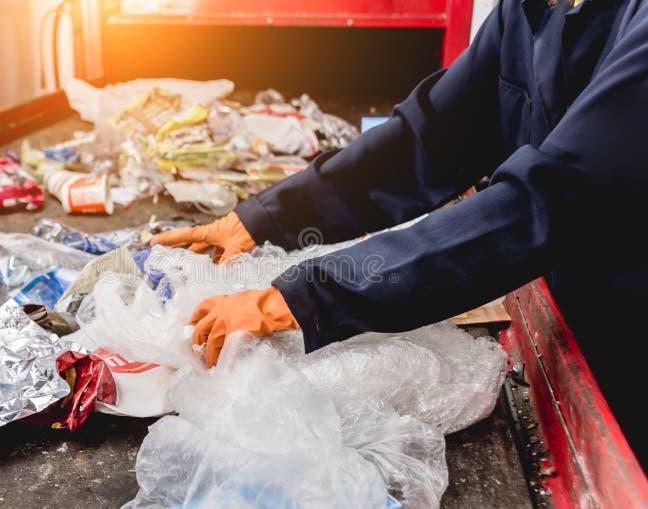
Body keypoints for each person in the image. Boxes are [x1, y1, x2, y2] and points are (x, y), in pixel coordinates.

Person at [153, 0, 647, 463]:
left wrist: (306, 296)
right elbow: (428, 139)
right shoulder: (532, 8)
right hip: (568, 310)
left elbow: (545, 200)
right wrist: (265, 217)